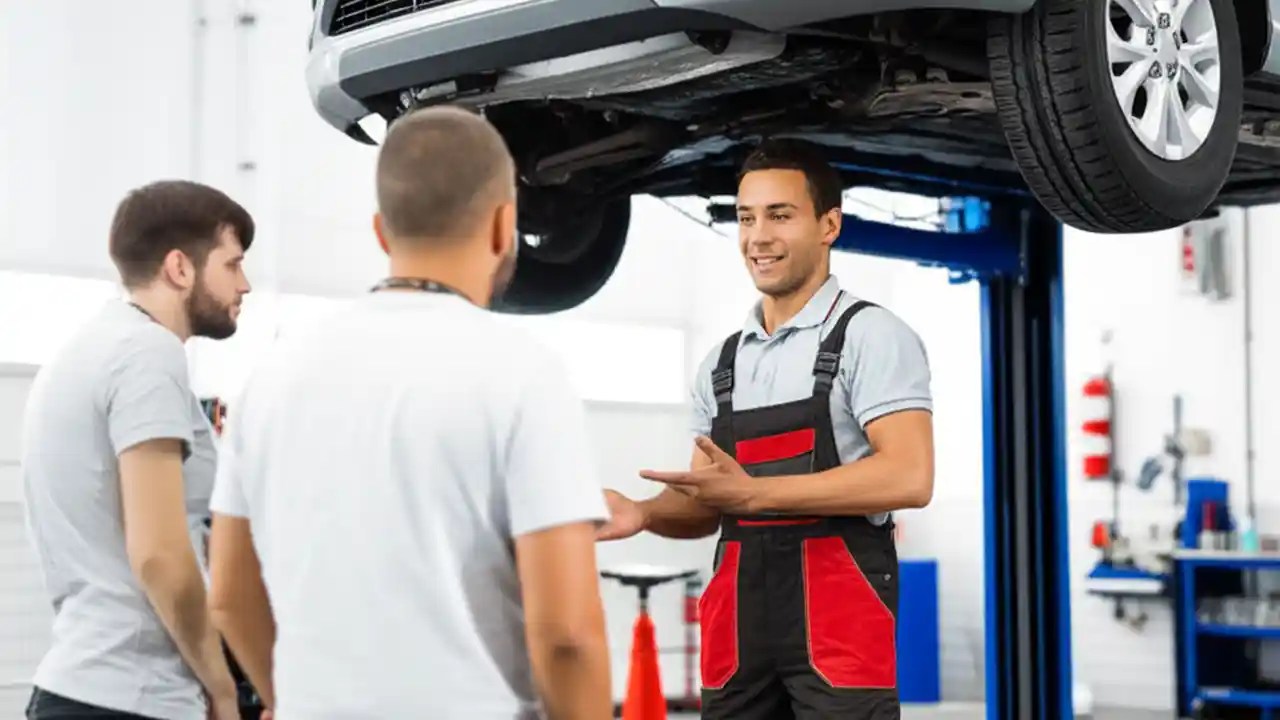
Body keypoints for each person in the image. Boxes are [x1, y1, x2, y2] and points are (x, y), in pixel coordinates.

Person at [205, 106, 613, 719]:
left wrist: (294, 698)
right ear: (505, 227)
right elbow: (566, 635)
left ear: (381, 233)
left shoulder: (271, 378)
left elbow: (232, 595)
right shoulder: (522, 373)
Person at [598, 139, 936, 719]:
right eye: (746, 217)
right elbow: (708, 503)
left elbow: (909, 475)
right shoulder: (721, 365)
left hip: (840, 629)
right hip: (739, 635)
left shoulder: (870, 336)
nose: (758, 237)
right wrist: (646, 512)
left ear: (829, 224)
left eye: (780, 216)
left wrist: (756, 494)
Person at [21, 181, 255, 720]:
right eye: (233, 264)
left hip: (83, 685)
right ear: (180, 268)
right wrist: (220, 686)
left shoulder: (90, 348)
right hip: (135, 696)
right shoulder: (148, 354)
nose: (245, 284)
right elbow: (159, 553)